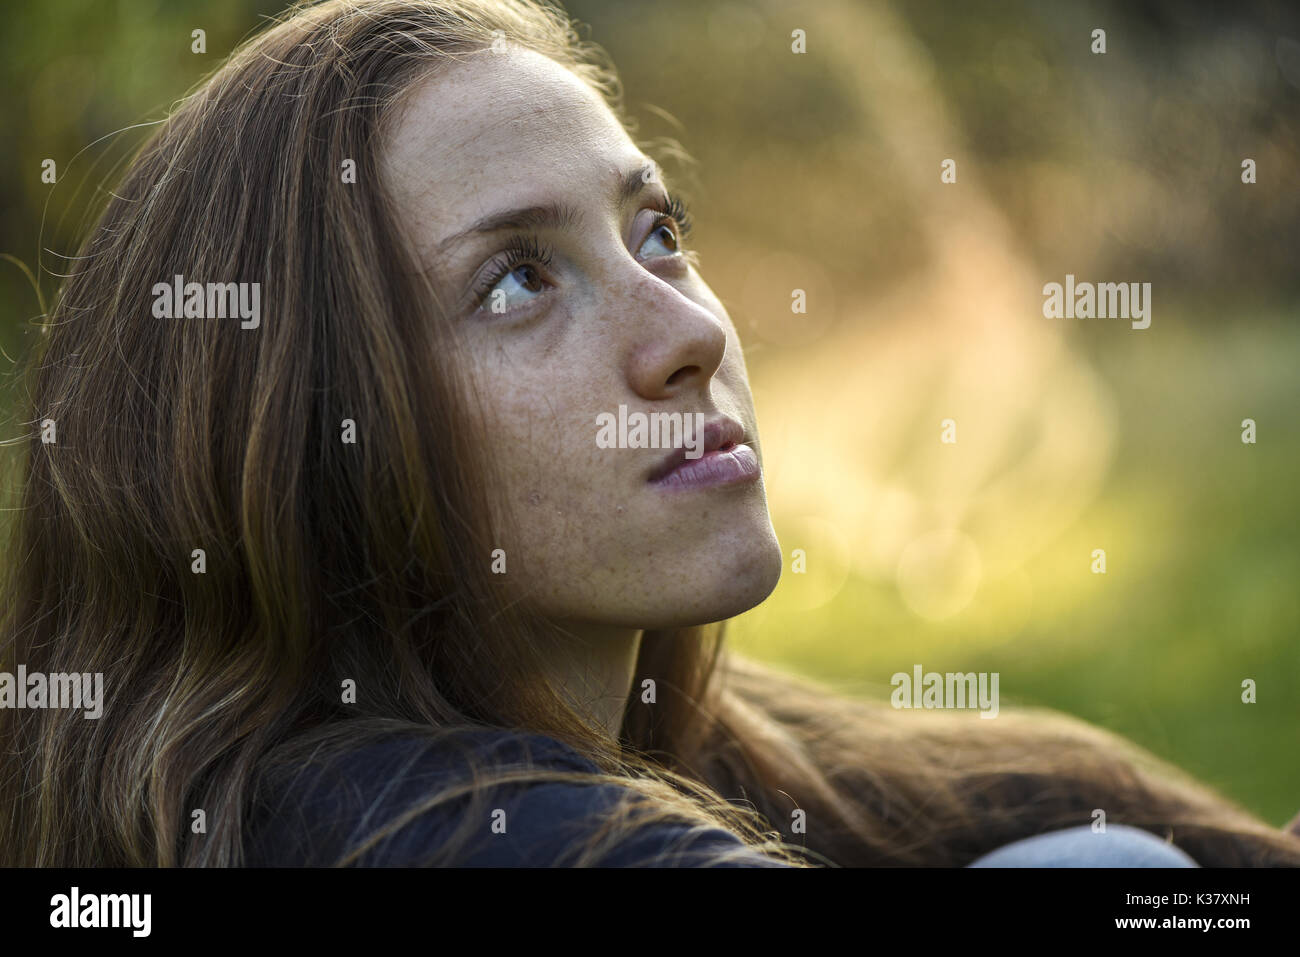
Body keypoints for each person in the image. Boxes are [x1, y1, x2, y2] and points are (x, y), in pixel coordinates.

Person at [1, 0, 1296, 868]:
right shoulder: (369, 825)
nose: (685, 334)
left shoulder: (723, 755)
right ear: (307, 439)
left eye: (656, 230)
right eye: (517, 281)